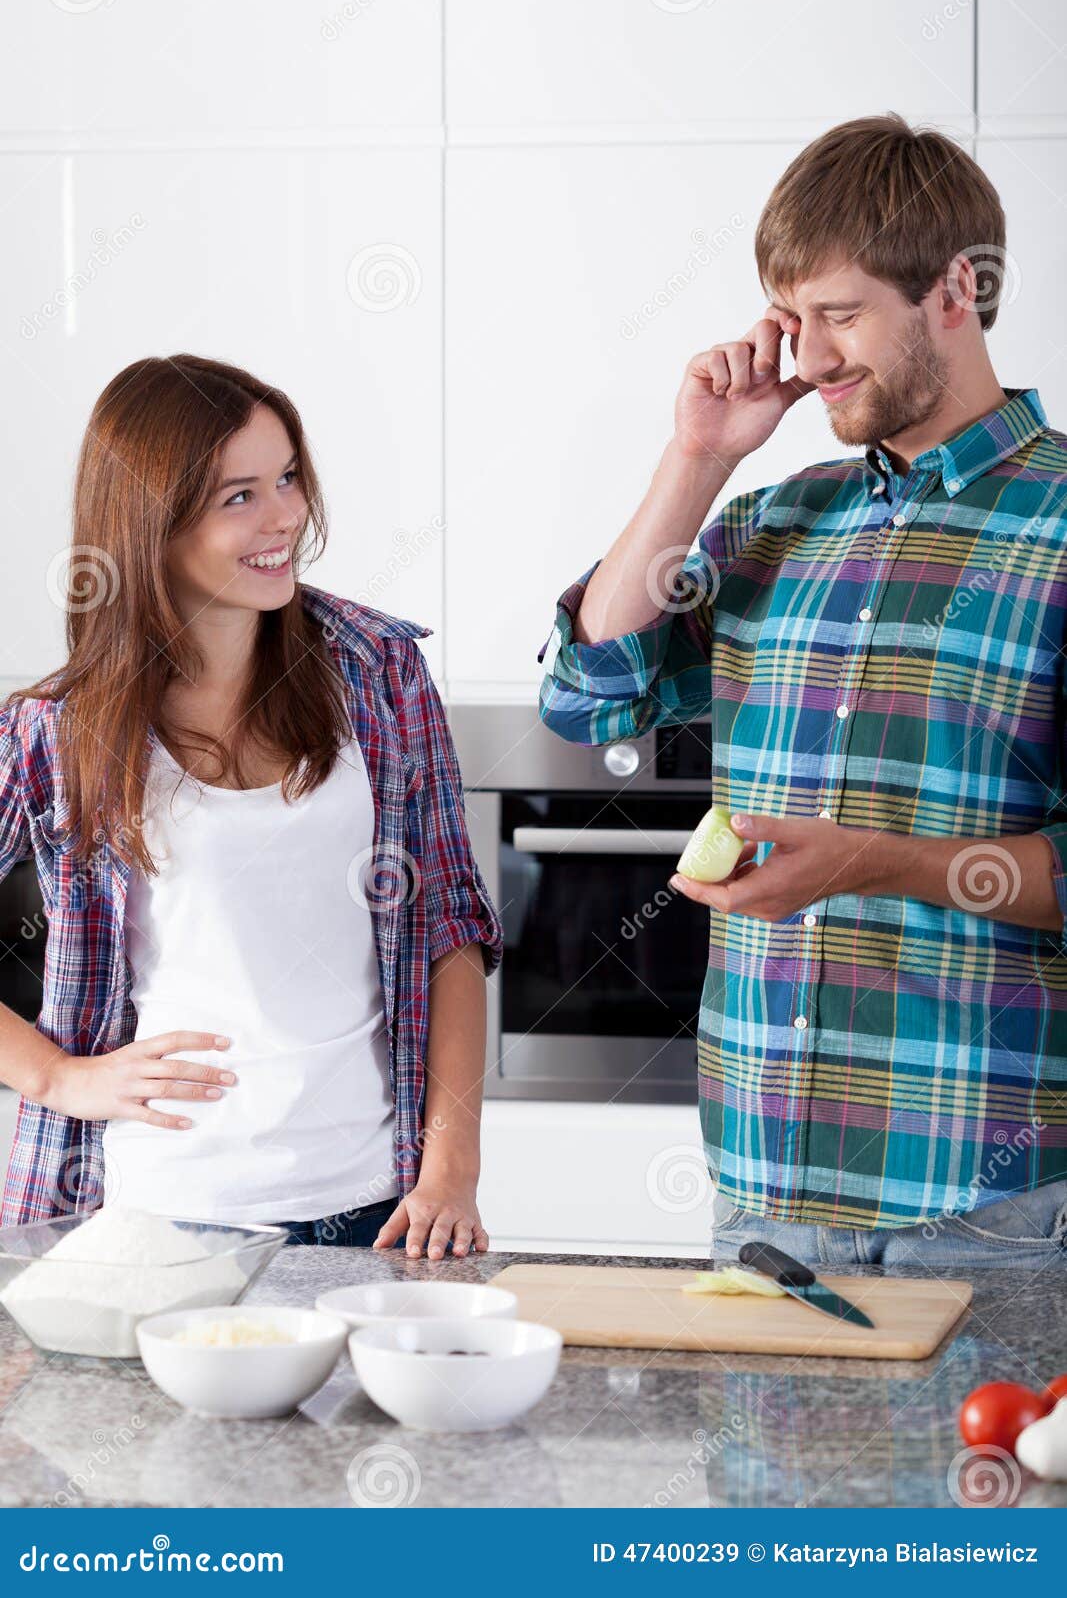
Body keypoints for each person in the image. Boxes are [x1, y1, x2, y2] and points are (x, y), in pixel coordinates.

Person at [538, 113, 1067, 1270]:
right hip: (764, 1184)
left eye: (837, 315)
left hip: (989, 1201)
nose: (810, 357)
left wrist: (875, 862)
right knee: (759, 1463)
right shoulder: (776, 519)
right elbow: (588, 694)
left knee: (992, 1465)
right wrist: (698, 459)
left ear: (954, 291)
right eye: (788, 320)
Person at [0, 353, 502, 1257]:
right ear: (150, 524)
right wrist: (56, 1078)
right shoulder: (57, 729)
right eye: (239, 497)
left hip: (379, 1207)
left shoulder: (378, 670)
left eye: (286, 479)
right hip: (156, 1212)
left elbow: (447, 929)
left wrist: (450, 1172)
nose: (285, 519)